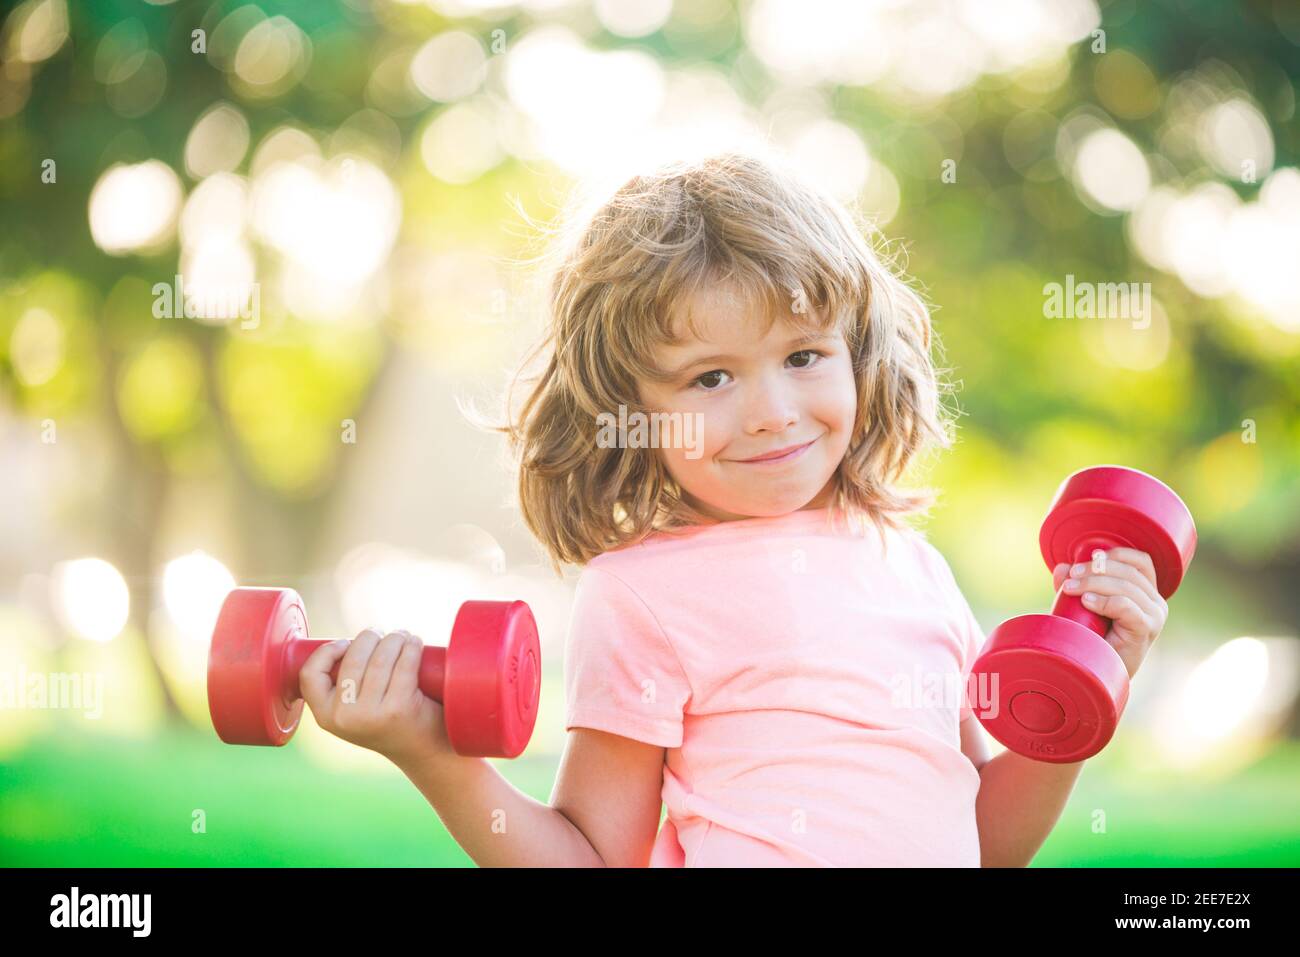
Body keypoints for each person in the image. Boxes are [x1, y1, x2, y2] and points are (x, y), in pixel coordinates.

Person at [300, 149, 1170, 867]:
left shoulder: (911, 566)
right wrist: (433, 755)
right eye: (711, 376)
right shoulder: (641, 593)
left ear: (858, 354)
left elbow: (982, 842)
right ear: (626, 406)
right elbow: (593, 859)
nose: (770, 410)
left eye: (802, 354)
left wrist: (1091, 687)